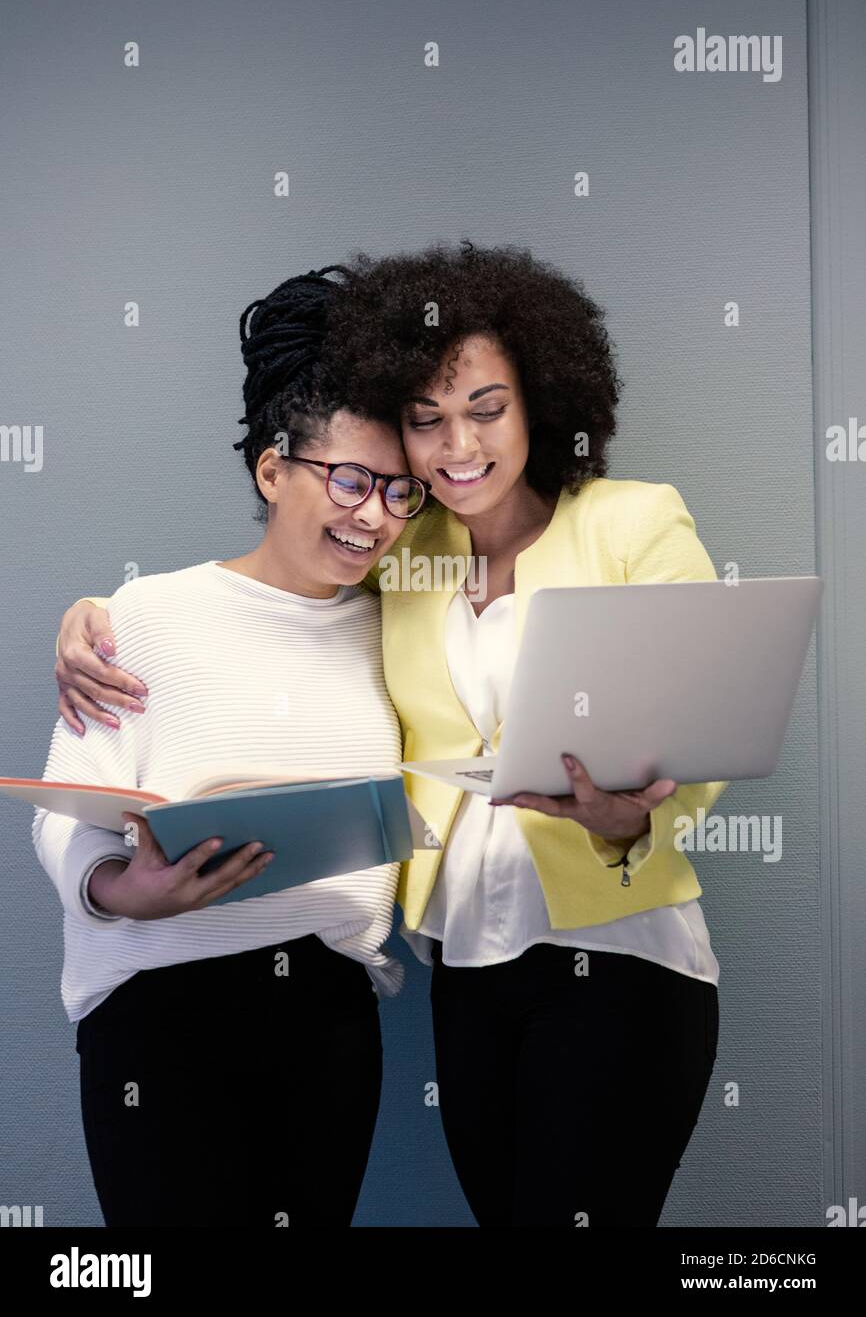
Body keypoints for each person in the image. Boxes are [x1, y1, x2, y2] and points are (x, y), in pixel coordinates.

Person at [54, 240, 728, 1228]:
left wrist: (628, 824)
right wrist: (90, 615)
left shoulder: (626, 523)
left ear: (539, 399)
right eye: (426, 422)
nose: (455, 445)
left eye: (485, 408)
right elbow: (259, 599)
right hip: (461, 969)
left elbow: (702, 716)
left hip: (617, 951)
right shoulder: (404, 555)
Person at [34, 266, 430, 1227]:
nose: (371, 514)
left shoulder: (403, 631)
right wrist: (119, 890)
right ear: (271, 470)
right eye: (346, 479)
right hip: (159, 1013)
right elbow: (64, 807)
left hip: (331, 1021)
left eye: (398, 492)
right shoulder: (147, 615)